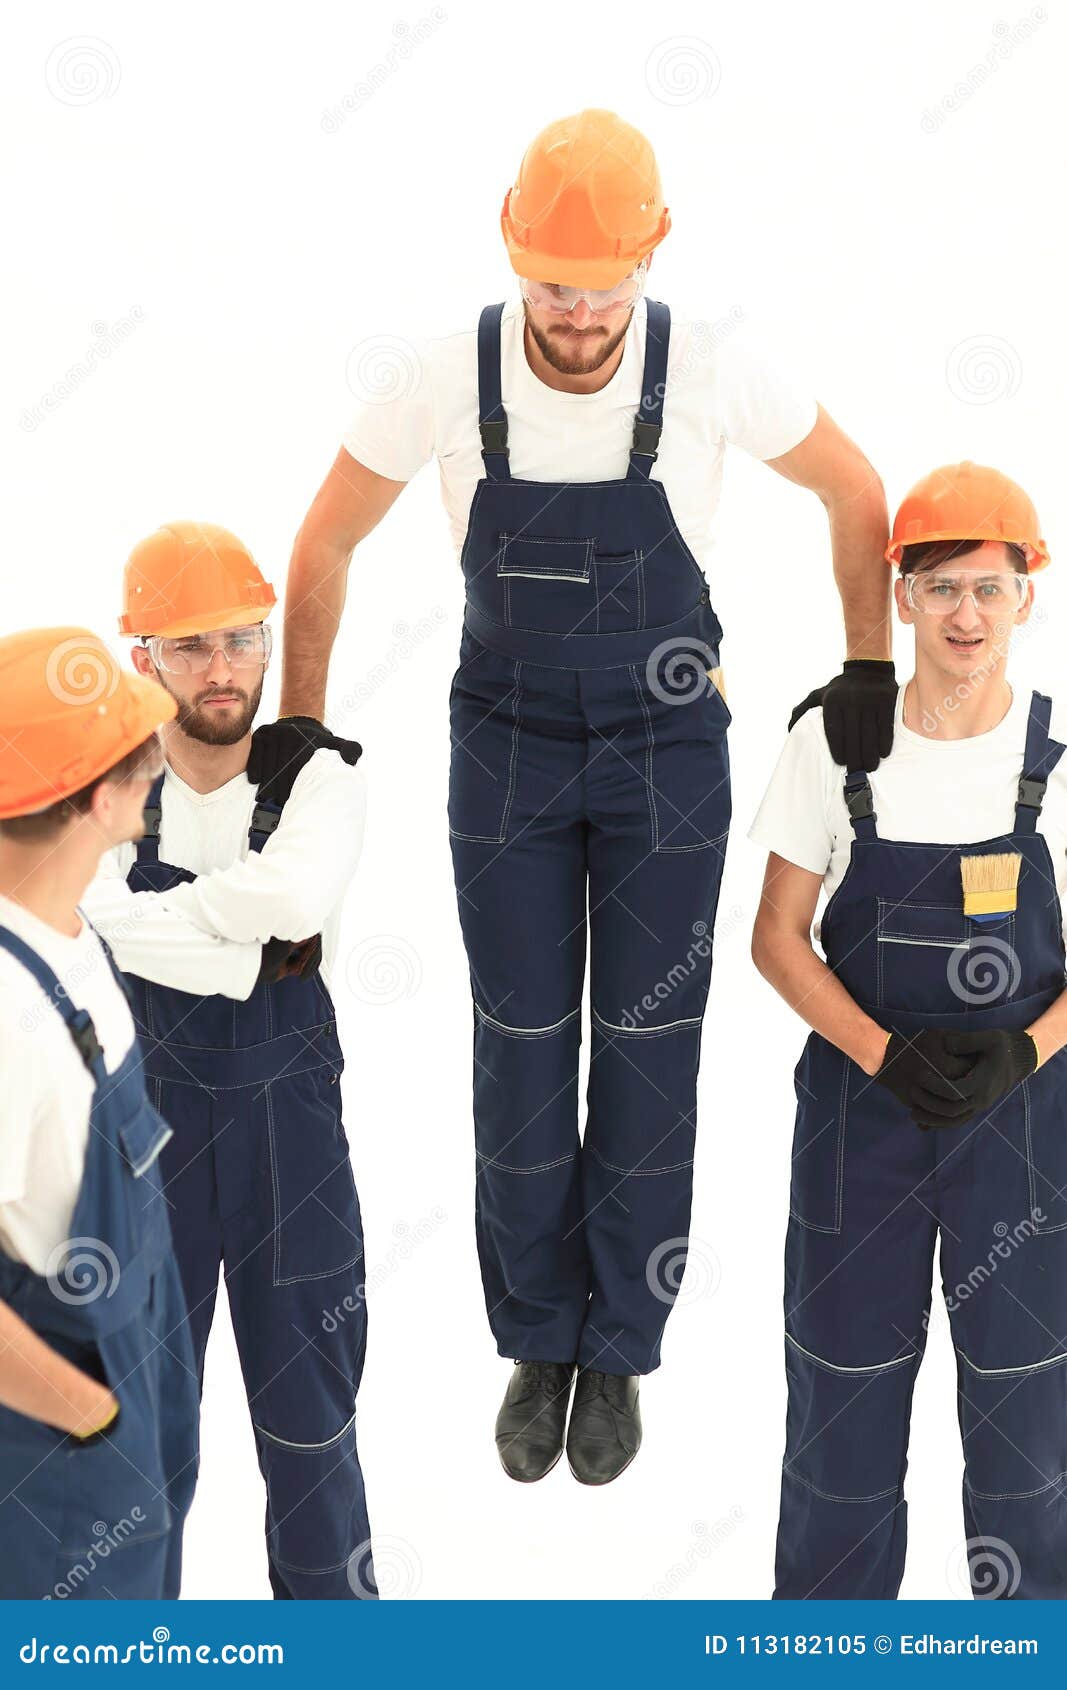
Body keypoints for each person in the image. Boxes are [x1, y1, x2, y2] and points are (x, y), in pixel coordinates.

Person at [249, 108, 890, 1486]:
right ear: (509, 252)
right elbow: (324, 539)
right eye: (553, 285)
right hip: (506, 743)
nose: (580, 314)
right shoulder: (444, 375)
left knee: (650, 1044)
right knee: (521, 1040)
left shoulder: (708, 369)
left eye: (603, 287)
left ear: (652, 259)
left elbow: (853, 492)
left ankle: (621, 1349)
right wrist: (298, 715)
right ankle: (538, 1338)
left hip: (668, 747)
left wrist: (866, 668)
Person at [750, 462, 1067, 1599]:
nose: (963, 614)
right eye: (939, 588)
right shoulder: (834, 743)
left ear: (1025, 594)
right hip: (860, 1124)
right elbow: (775, 936)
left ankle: (1026, 1650)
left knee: (1027, 1421)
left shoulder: (1057, 757)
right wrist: (882, 1053)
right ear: (901, 597)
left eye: (987, 587)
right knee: (840, 1414)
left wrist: (1023, 1049)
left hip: (1021, 1133)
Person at [80, 521, 376, 1599]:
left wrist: (154, 926)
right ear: (143, 658)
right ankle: (120, 1654)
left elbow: (292, 897)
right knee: (136, 1435)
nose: (222, 668)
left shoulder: (320, 777)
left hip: (288, 1143)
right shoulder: (104, 780)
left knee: (309, 1429)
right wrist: (243, 947)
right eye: (191, 644)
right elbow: (89, 917)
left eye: (242, 639)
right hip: (142, 1140)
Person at [0, 626, 198, 1599]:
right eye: (137, 751)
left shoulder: (70, 926)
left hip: (142, 1326)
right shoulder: (7, 1014)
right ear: (92, 798)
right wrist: (89, 1413)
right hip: (62, 1409)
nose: (157, 760)